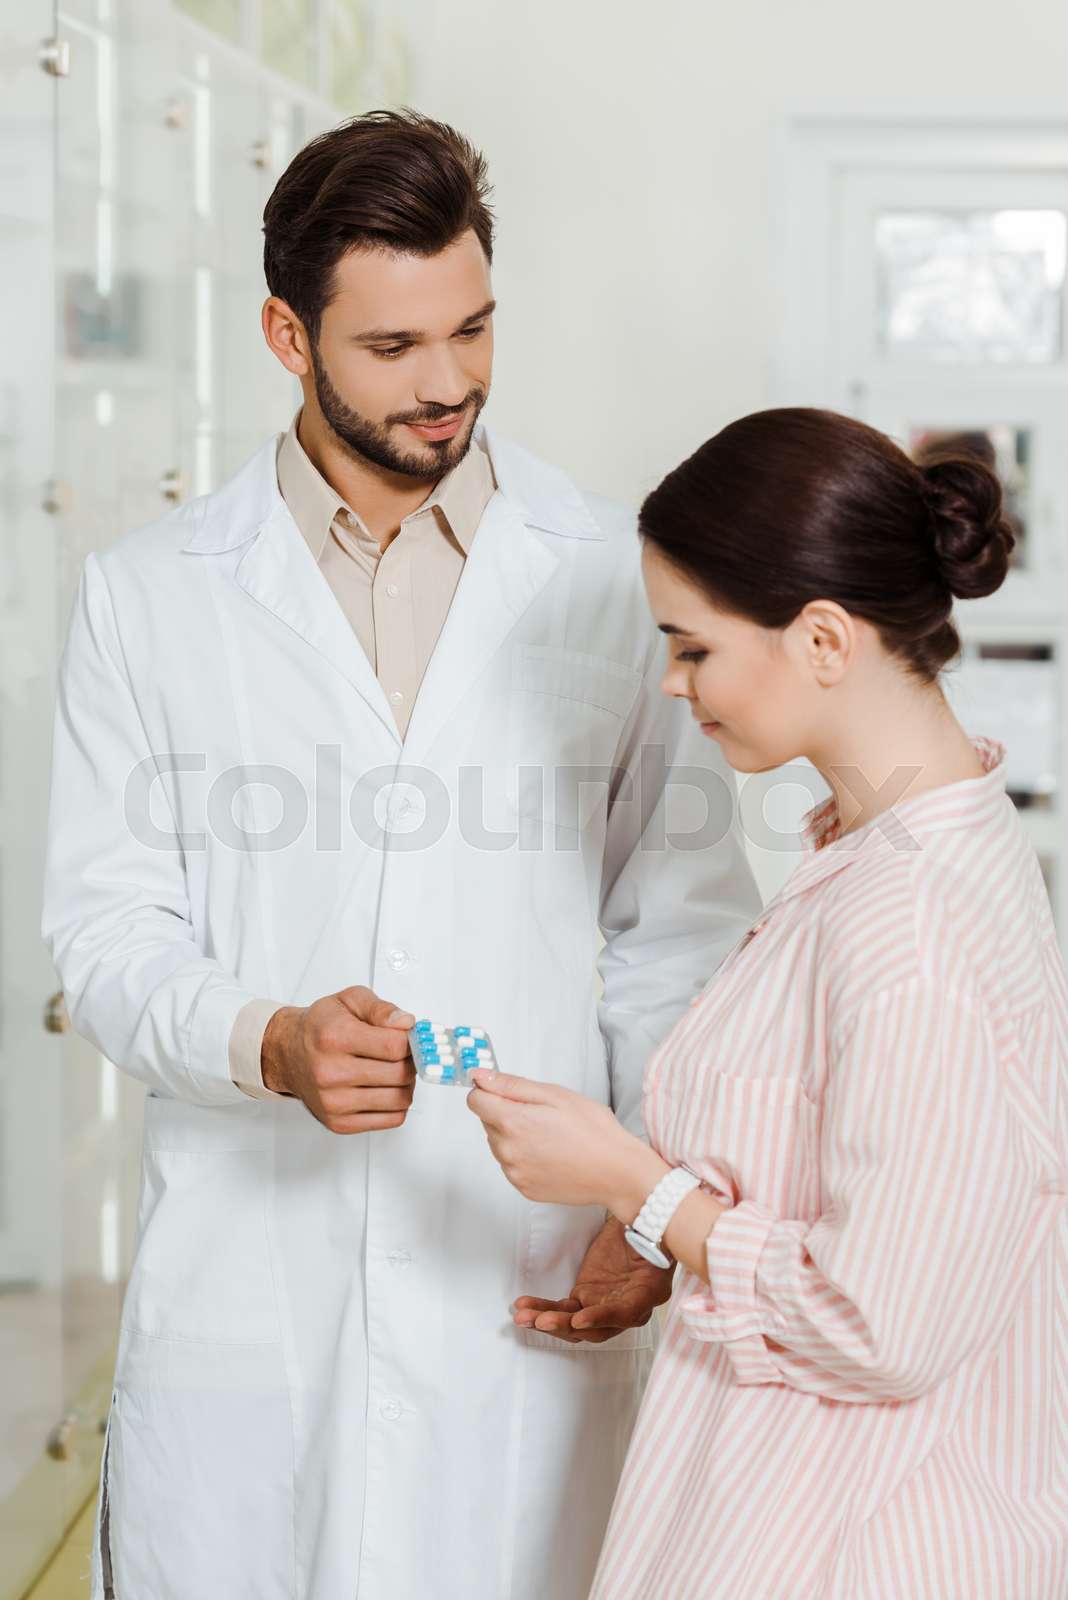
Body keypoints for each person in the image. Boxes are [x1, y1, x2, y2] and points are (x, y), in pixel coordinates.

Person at [39, 112, 759, 1600]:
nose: (449, 383)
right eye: (392, 347)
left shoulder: (611, 573)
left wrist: (651, 1198)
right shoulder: (148, 598)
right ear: (286, 336)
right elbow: (106, 936)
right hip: (255, 1273)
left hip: (523, 1266)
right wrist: (268, 1041)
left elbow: (677, 928)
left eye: (475, 328)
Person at [469, 408, 1068, 1599]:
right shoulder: (875, 849)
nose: (675, 684)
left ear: (827, 638)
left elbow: (880, 1321)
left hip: (864, 1541)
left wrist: (631, 1181)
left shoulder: (913, 918)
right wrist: (660, 1246)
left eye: (692, 648)